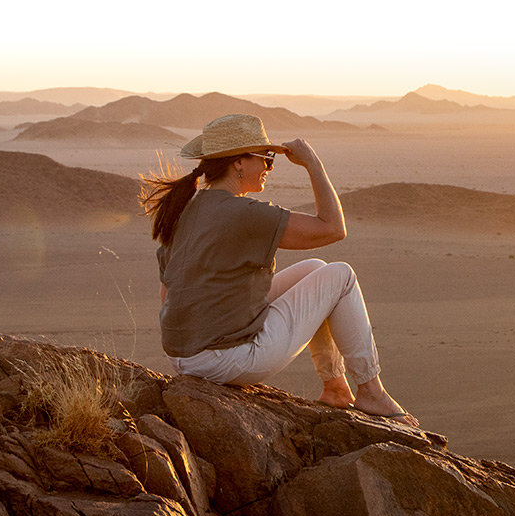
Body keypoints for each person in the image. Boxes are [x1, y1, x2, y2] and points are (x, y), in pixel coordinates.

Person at [141, 113, 417, 426]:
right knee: (341, 277)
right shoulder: (243, 213)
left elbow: (169, 292)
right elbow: (333, 228)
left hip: (184, 356)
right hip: (227, 360)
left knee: (316, 269)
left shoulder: (186, 208)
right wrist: (313, 163)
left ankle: (336, 388)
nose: (269, 167)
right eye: (265, 157)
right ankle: (371, 391)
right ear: (239, 162)